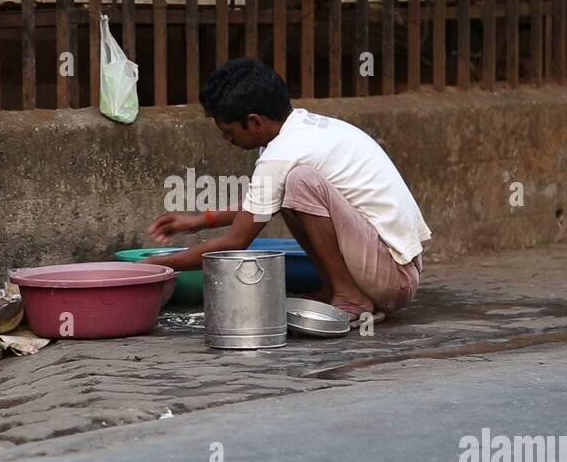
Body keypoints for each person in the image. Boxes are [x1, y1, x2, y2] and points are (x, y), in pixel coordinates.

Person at [142, 57, 431, 321]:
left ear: (254, 121)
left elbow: (235, 243)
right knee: (292, 189)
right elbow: (261, 206)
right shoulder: (298, 130)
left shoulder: (282, 155)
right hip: (393, 268)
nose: (226, 139)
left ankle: (351, 297)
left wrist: (156, 266)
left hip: (395, 278)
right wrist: (200, 220)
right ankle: (336, 289)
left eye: (229, 131)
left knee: (300, 182)